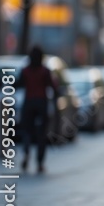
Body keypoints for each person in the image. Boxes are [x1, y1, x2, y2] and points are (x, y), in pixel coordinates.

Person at [18, 46, 60, 174]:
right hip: (41, 103)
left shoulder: (25, 71)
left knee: (27, 131)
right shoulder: (45, 71)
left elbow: (18, 84)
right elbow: (53, 87)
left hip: (29, 103)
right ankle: (40, 162)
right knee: (42, 134)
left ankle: (26, 152)